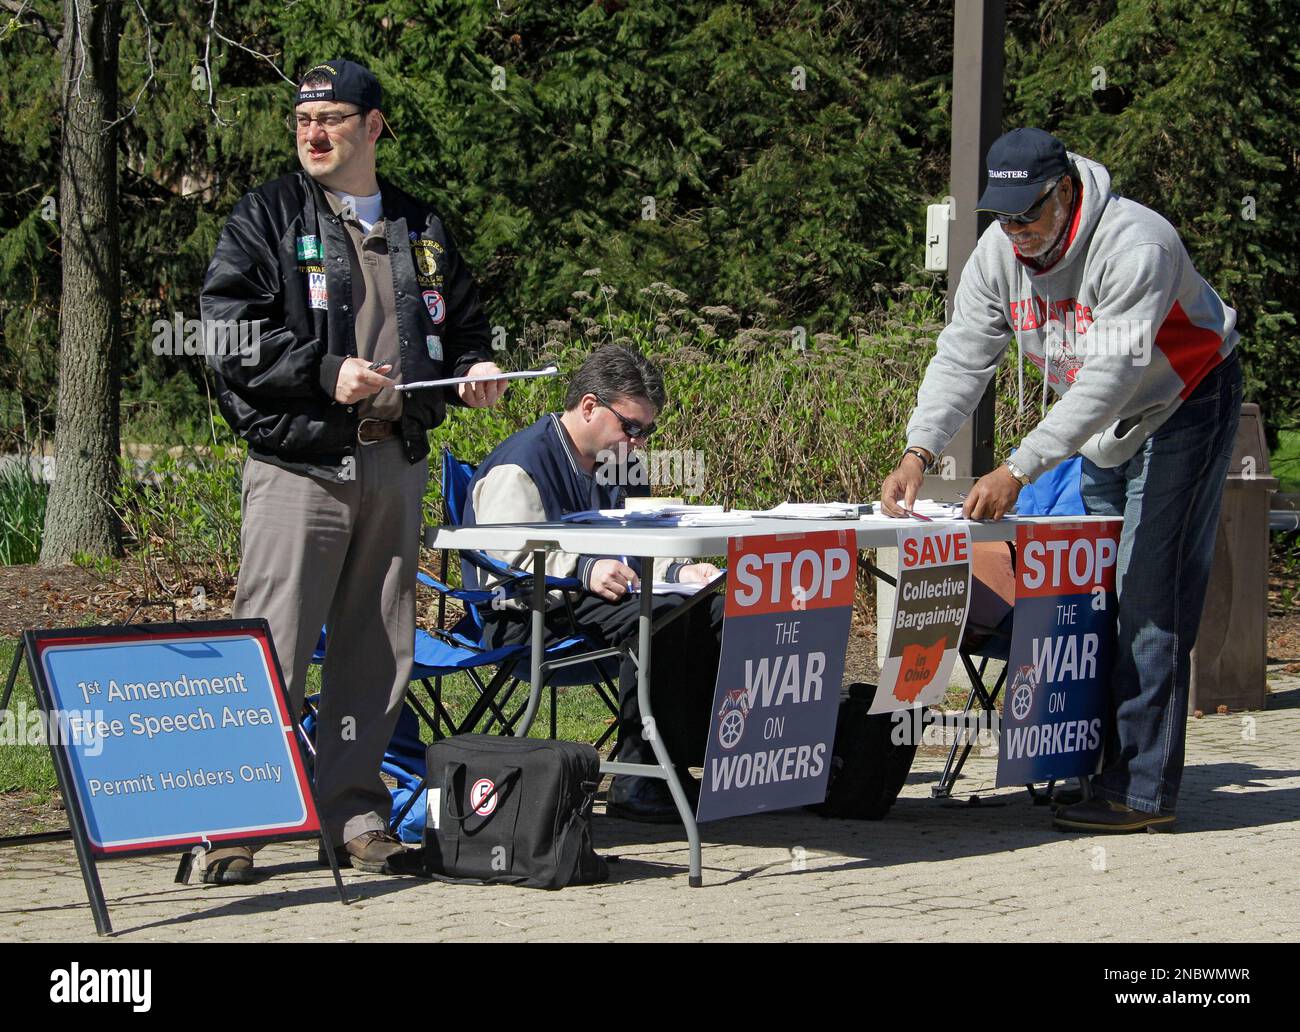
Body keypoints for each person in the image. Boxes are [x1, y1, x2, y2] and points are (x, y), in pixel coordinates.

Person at [880, 127, 1241, 833]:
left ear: (1066, 193)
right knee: (1092, 593)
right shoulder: (998, 254)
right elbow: (962, 356)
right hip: (1101, 424)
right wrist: (918, 451)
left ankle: (1139, 793)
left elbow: (1109, 379)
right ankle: (1091, 766)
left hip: (1185, 401)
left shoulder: (1137, 244)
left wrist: (1020, 468)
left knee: (1149, 591)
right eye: (1003, 217)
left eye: (1028, 215)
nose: (1016, 231)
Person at [201, 59, 505, 881]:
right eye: (303, 121)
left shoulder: (420, 223)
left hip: (394, 460)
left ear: (372, 127)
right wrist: (322, 371)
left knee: (377, 648)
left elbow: (462, 326)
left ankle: (355, 815)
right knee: (271, 644)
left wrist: (474, 368)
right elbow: (226, 333)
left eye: (331, 119)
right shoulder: (266, 215)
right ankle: (237, 822)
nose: (313, 134)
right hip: (299, 466)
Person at [462, 344, 723, 822]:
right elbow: (503, 558)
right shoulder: (520, 464)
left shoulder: (623, 462)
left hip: (605, 602)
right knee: (662, 618)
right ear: (588, 406)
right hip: (529, 617)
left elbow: (643, 539)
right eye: (632, 428)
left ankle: (697, 763)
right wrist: (582, 569)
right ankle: (640, 779)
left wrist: (678, 571)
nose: (638, 443)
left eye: (647, 431)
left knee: (714, 609)